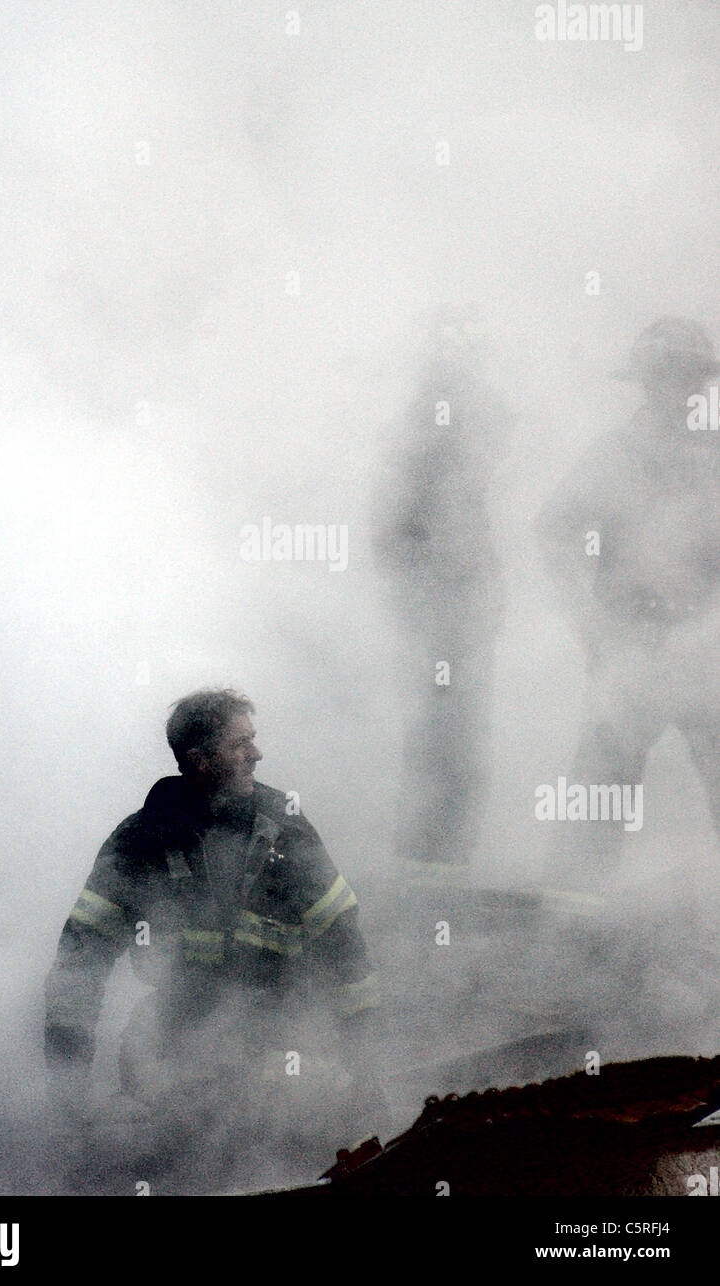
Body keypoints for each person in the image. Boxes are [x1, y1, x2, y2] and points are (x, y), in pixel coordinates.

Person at [44, 689, 381, 1138]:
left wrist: (364, 1066)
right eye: (240, 745)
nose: (256, 754)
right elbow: (78, 965)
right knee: (166, 1136)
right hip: (172, 1046)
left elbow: (346, 954)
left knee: (316, 1120)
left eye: (253, 741)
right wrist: (69, 1094)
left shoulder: (286, 829)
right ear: (201, 761)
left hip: (284, 1039)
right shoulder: (142, 841)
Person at [535, 317, 720, 908]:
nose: (686, 389)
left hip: (708, 652)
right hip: (631, 648)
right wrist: (591, 623)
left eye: (694, 376)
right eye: (672, 375)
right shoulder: (616, 454)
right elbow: (555, 529)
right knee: (600, 788)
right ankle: (569, 930)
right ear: (647, 382)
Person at [372, 313, 512, 895]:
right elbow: (394, 537)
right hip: (443, 615)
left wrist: (481, 598)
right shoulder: (428, 436)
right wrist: (428, 608)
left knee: (456, 731)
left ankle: (440, 862)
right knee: (445, 732)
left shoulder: (457, 437)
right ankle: (429, 866)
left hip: (460, 612)